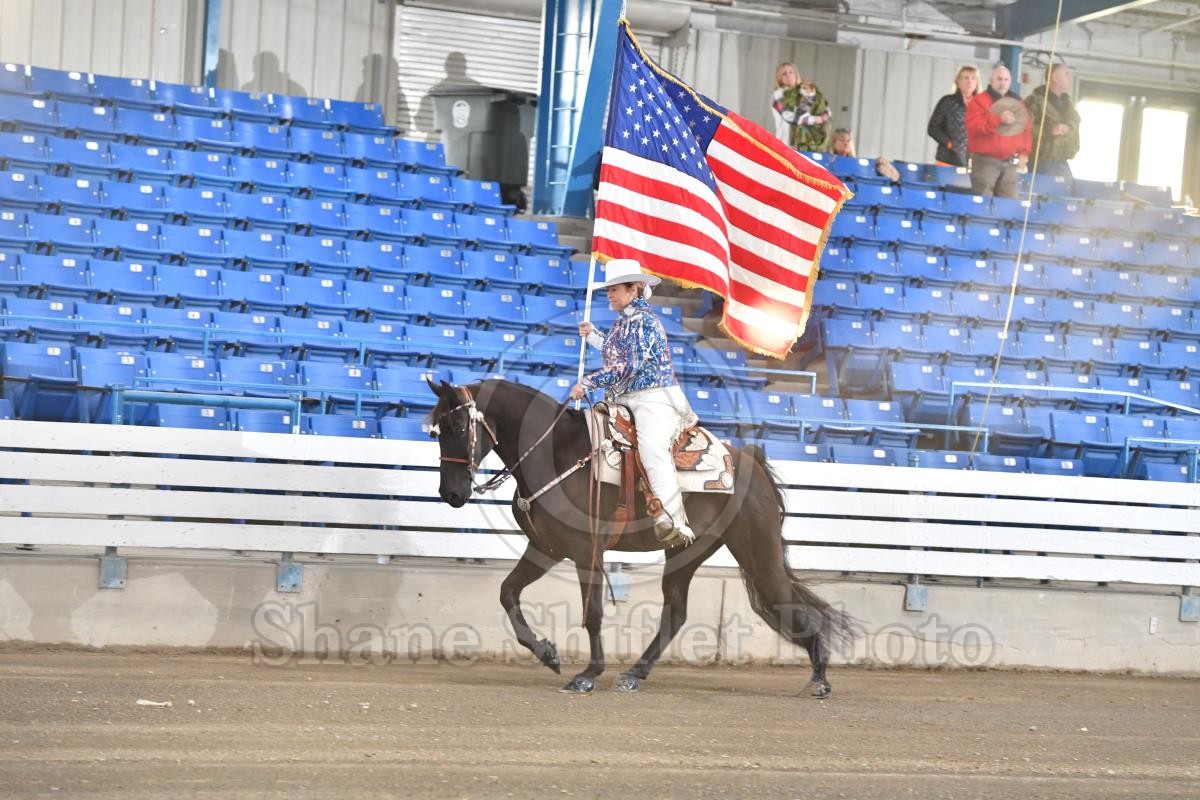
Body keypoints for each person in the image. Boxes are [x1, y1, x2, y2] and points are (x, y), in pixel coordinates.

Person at [569, 259, 698, 548]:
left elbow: (629, 365)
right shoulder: (625, 321)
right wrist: (594, 336)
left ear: (634, 289)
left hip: (655, 398)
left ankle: (672, 518)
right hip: (627, 399)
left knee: (652, 448)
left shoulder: (645, 321)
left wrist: (587, 382)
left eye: (615, 289)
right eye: (609, 290)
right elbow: (615, 352)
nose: (609, 295)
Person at [965, 65, 1032, 199]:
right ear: (991, 80)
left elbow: (1026, 129)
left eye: (1006, 80)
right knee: (983, 201)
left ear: (1010, 81)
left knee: (1009, 203)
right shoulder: (979, 101)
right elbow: (974, 127)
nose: (1003, 83)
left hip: (1010, 162)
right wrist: (998, 119)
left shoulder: (1018, 102)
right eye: (999, 79)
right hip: (985, 161)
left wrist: (1024, 152)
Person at [1023, 63, 1081, 179]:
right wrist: (1050, 130)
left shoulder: (1068, 105)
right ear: (1054, 77)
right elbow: (1024, 128)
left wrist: (1069, 127)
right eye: (1066, 74)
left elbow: (1075, 122)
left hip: (1063, 162)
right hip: (1041, 163)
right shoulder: (1035, 101)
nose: (1069, 77)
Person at [927, 65, 980, 167]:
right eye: (966, 78)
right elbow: (933, 128)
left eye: (973, 78)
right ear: (958, 81)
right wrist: (949, 143)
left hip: (973, 162)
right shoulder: (948, 101)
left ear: (977, 83)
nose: (970, 81)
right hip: (947, 160)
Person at [770, 63, 831, 152]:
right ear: (779, 78)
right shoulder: (778, 95)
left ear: (796, 74)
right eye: (784, 74)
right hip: (786, 144)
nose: (788, 75)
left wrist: (821, 118)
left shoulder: (805, 90)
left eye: (791, 72)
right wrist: (815, 119)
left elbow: (827, 111)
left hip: (809, 144)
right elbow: (790, 117)